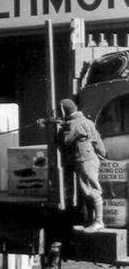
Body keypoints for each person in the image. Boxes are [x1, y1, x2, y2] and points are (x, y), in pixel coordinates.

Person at [51, 98, 106, 233]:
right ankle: (90, 222)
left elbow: (65, 141)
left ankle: (98, 222)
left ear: (64, 111)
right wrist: (102, 154)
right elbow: (97, 140)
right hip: (90, 159)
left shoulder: (73, 124)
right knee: (87, 191)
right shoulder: (87, 121)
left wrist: (61, 127)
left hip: (83, 161)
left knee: (91, 190)